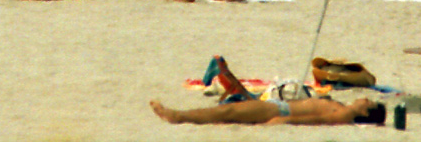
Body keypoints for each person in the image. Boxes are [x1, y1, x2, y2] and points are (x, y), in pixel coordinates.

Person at [150, 96, 380, 126]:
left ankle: (179, 116)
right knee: (227, 112)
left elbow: (318, 118)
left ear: (366, 113)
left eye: (367, 103)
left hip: (279, 110)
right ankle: (181, 115)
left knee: (228, 111)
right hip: (278, 107)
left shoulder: (345, 114)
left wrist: (283, 121)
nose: (365, 99)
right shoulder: (343, 108)